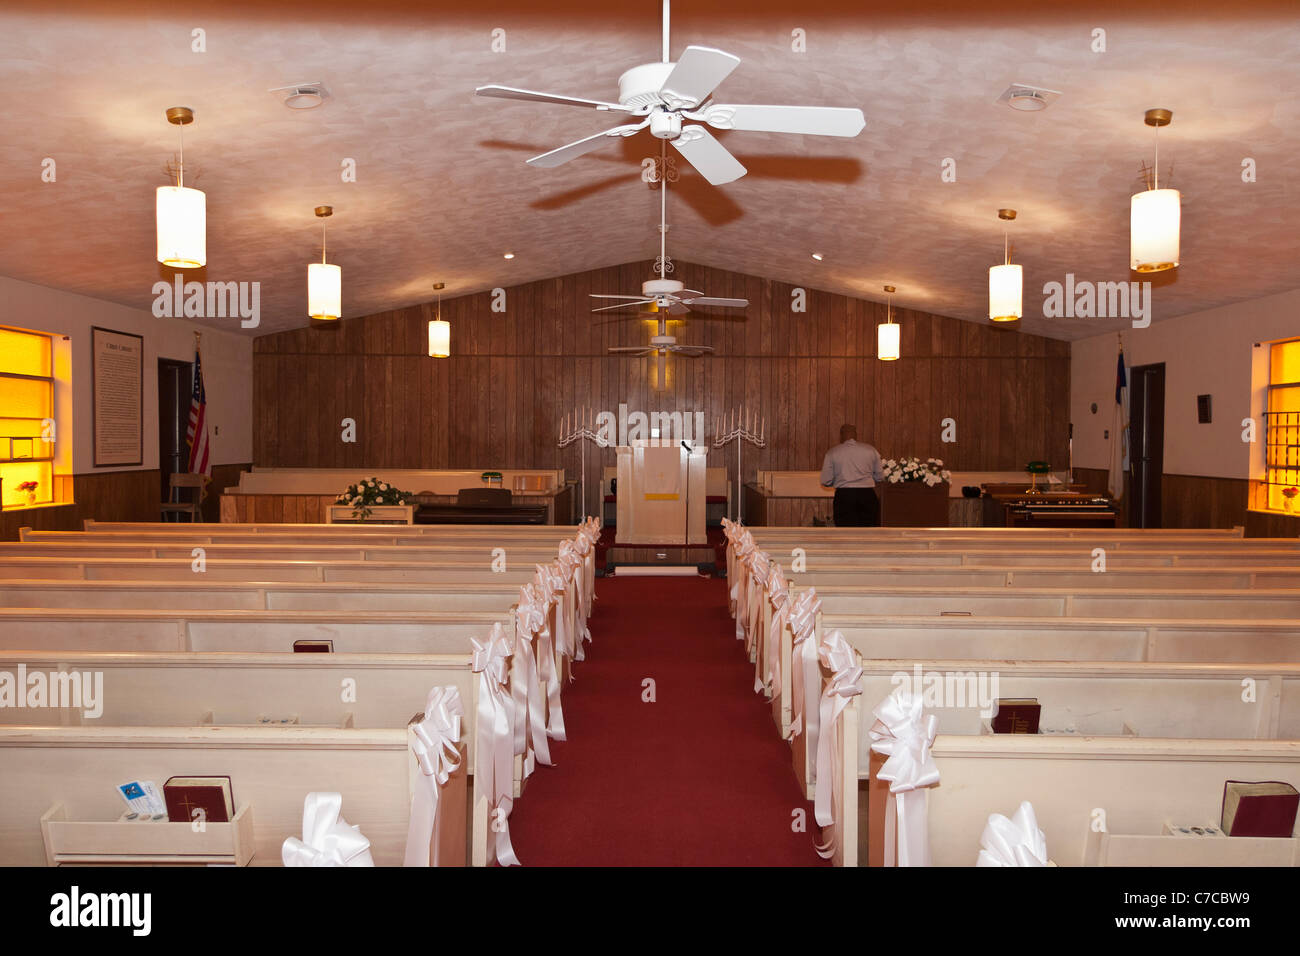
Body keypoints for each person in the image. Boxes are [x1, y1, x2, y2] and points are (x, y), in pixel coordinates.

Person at [819, 424, 884, 527]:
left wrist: (837, 480)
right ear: (856, 435)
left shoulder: (832, 453)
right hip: (867, 495)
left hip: (844, 496)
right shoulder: (871, 450)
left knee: (845, 533)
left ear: (841, 436)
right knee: (868, 532)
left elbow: (825, 480)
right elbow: (880, 476)